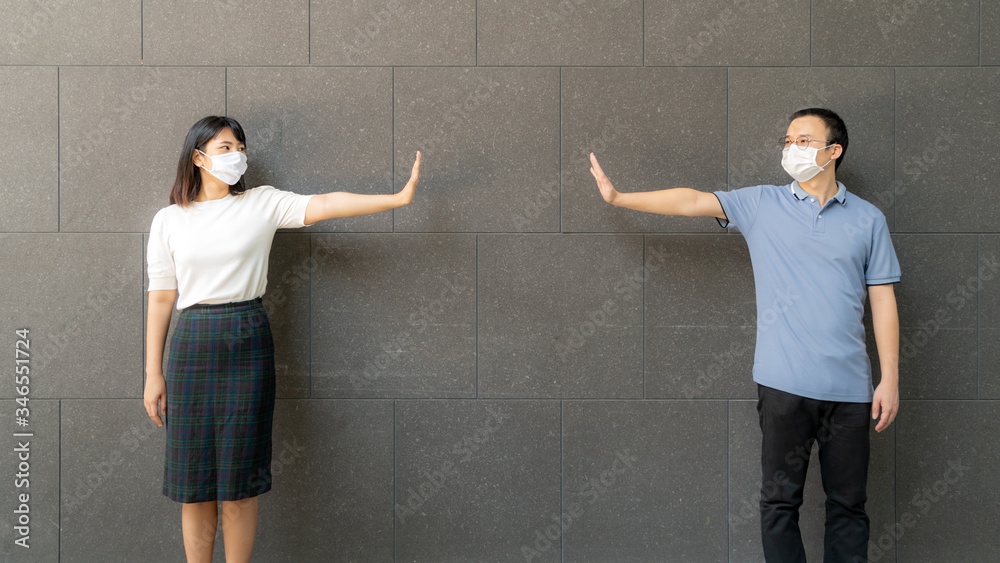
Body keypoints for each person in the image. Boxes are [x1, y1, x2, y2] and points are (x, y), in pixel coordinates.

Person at [589, 107, 900, 562]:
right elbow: (692, 201)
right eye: (788, 141)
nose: (792, 149)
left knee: (849, 507)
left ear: (834, 151)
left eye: (804, 141)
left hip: (850, 391)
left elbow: (883, 299)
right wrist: (619, 197)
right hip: (782, 385)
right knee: (780, 503)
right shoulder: (761, 205)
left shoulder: (869, 219)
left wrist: (889, 379)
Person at [142, 115, 421, 562]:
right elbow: (160, 298)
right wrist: (153, 374)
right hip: (192, 343)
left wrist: (396, 198)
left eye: (240, 147)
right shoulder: (169, 220)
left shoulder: (261, 203)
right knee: (194, 484)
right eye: (225, 148)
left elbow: (325, 203)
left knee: (240, 481)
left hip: (247, 338)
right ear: (198, 157)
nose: (236, 155)